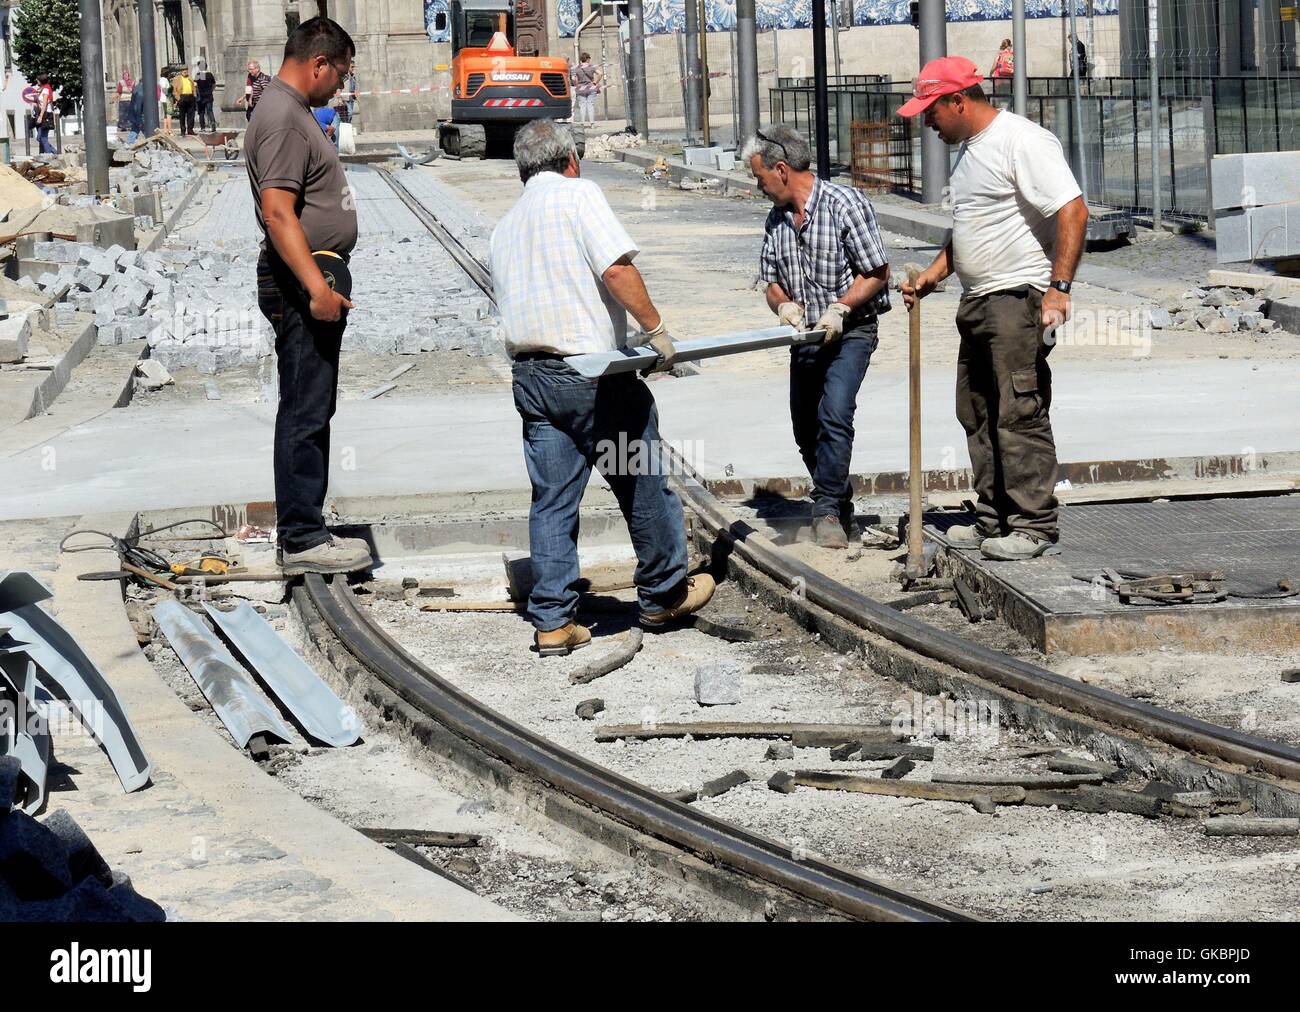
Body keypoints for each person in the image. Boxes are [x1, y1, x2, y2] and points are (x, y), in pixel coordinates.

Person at [489, 119, 715, 656]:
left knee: (553, 499)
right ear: (570, 161)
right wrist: (656, 328)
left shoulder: (505, 225)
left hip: (532, 377)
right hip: (591, 376)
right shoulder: (579, 194)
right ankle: (663, 594)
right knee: (640, 479)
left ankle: (552, 621)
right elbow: (615, 269)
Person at [899, 56, 1087, 561]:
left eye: (931, 111)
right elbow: (967, 228)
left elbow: (1073, 208)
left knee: (1017, 411)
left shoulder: (1022, 141)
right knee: (977, 411)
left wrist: (1059, 288)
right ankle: (993, 517)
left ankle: (1033, 524)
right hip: (977, 300)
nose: (927, 123)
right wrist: (934, 274)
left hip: (1015, 299)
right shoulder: (969, 152)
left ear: (958, 100)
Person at [245, 16, 371, 576]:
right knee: (305, 406)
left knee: (313, 403)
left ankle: (305, 526)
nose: (339, 87)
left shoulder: (287, 112)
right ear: (318, 63)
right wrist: (316, 287)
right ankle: (301, 537)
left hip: (311, 278)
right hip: (303, 283)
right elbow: (277, 211)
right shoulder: (284, 119)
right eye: (339, 74)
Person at [740, 124, 891, 550]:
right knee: (806, 428)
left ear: (782, 169)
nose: (759, 188)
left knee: (835, 414)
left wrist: (841, 308)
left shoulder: (845, 204)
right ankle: (838, 499)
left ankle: (824, 508)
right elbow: (771, 281)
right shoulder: (777, 219)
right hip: (807, 339)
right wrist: (783, 305)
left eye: (760, 178)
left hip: (852, 331)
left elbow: (877, 272)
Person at [571, 52, 601, 125]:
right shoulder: (592, 67)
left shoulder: (577, 68)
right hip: (591, 87)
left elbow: (573, 78)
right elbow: (600, 74)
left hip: (581, 88)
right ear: (587, 59)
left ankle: (582, 123)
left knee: (582, 105)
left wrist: (576, 85)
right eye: (589, 58)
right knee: (590, 105)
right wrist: (595, 83)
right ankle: (592, 123)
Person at [173, 66, 197, 135]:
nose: (185, 71)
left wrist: (194, 96)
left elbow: (193, 87)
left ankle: (190, 130)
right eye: (183, 70)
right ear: (181, 71)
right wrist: (178, 98)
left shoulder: (190, 78)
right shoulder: (177, 79)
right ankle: (183, 130)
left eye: (186, 69)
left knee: (191, 115)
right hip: (182, 97)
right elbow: (174, 90)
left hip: (190, 97)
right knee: (182, 115)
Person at [35, 75, 55, 154]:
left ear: (41, 81)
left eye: (37, 80)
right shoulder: (43, 89)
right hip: (44, 114)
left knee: (43, 138)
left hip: (46, 114)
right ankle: (54, 153)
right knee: (40, 137)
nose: (36, 81)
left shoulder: (46, 89)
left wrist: (40, 116)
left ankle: (51, 155)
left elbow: (45, 104)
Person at [194, 61, 217, 131]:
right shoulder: (210, 75)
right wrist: (210, 90)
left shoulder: (199, 75)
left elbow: (195, 85)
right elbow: (214, 84)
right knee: (210, 111)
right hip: (209, 95)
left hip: (201, 96)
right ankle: (212, 122)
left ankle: (203, 127)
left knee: (201, 112)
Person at [115, 68, 135, 137]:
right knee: (122, 114)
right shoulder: (121, 82)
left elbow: (134, 91)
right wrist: (114, 98)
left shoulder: (132, 82)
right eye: (124, 75)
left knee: (129, 114)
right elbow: (119, 91)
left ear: (128, 76)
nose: (125, 76)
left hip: (130, 100)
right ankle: (123, 126)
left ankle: (129, 126)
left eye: (126, 75)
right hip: (123, 100)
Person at [127, 78, 146, 143]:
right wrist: (139, 120)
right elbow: (137, 106)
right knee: (147, 130)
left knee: (135, 129)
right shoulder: (141, 90)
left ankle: (129, 143)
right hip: (139, 115)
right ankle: (155, 144)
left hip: (136, 114)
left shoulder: (138, 87)